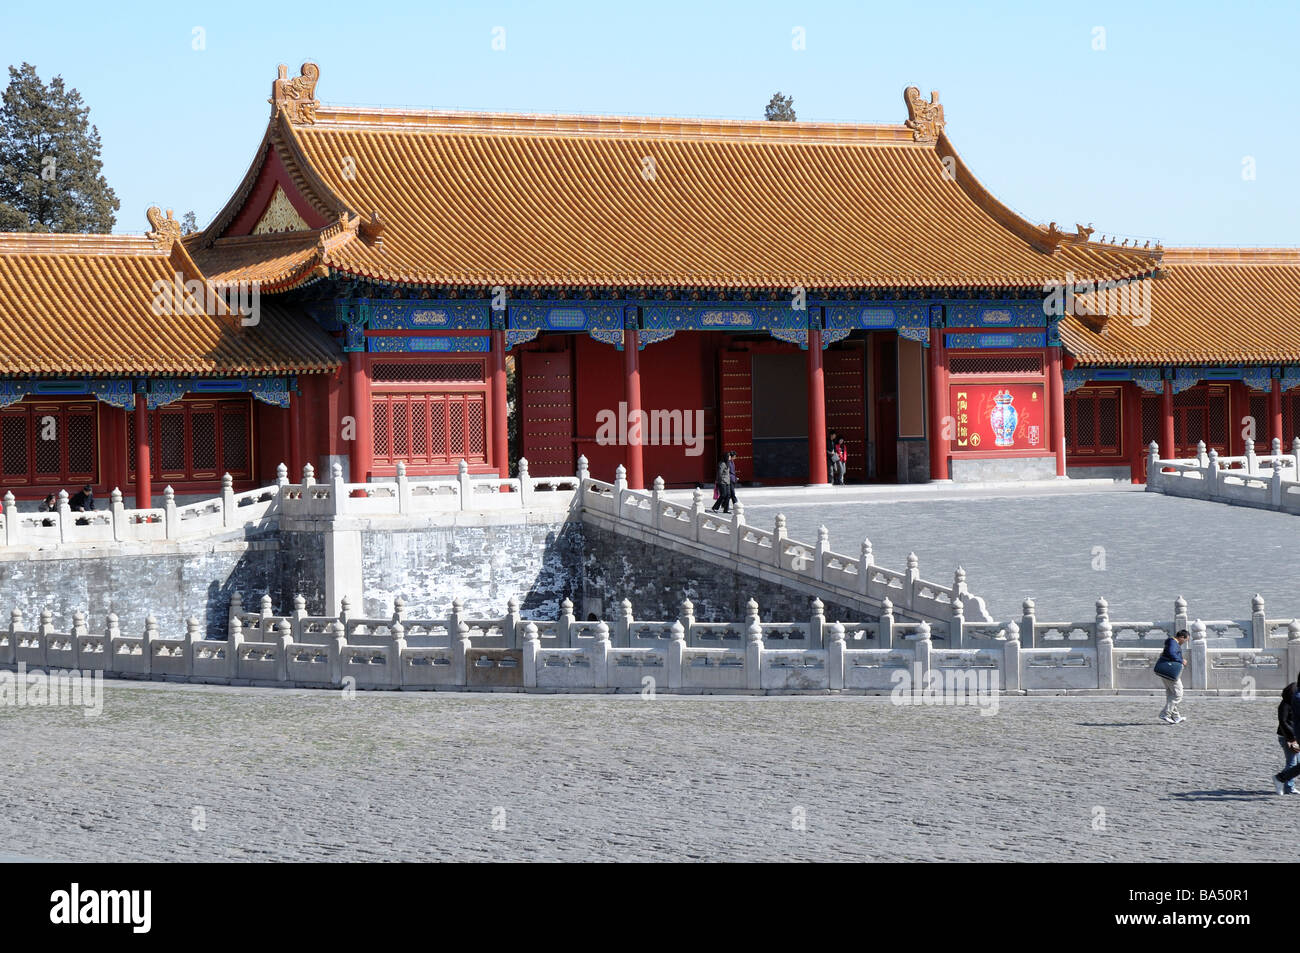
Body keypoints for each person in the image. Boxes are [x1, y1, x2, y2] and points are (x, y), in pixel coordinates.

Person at [1155, 629, 1189, 724]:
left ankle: (1176, 717)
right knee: (1178, 694)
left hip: (1166, 672)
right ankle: (1165, 714)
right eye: (1186, 640)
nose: (1185, 642)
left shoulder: (1170, 642)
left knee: (1171, 694)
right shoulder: (1173, 642)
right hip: (1171, 673)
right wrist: (1181, 660)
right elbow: (1171, 653)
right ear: (1182, 637)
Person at [1275, 678, 1300, 794]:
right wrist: (1291, 739)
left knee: (1297, 763)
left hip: (1295, 736)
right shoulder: (1285, 705)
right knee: (1292, 763)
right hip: (1287, 737)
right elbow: (1283, 722)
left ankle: (1288, 785)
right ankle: (1284, 783)